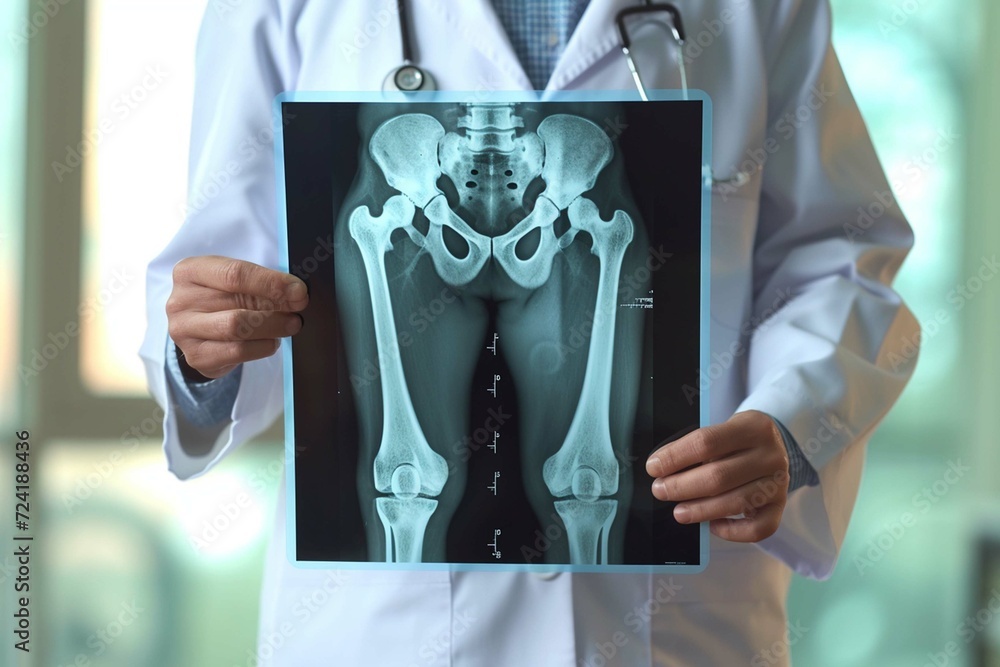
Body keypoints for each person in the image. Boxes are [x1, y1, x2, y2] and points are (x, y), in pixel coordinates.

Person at [140, 0, 919, 664]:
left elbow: (836, 258)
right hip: (379, 630)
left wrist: (790, 425)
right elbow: (224, 269)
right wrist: (202, 357)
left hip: (677, 624)